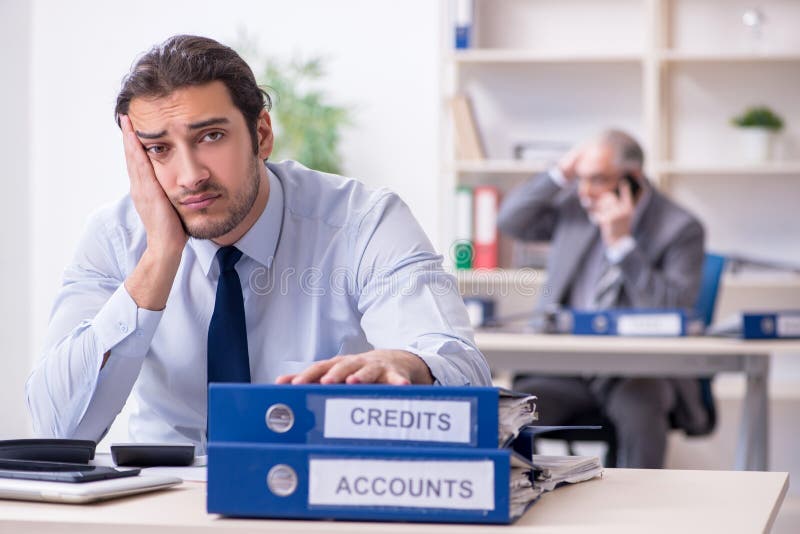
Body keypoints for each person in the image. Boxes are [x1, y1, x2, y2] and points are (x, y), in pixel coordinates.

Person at [26, 35, 491, 452]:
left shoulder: (363, 223)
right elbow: (58, 428)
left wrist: (408, 364)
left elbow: (464, 374)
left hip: (317, 491)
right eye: (158, 149)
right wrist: (159, 258)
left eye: (210, 136)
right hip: (162, 501)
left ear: (261, 134)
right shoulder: (114, 238)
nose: (190, 176)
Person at [497, 129, 709, 468]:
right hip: (565, 367)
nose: (585, 192)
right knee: (507, 415)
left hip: (637, 370)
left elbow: (675, 311)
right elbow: (510, 220)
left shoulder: (680, 227)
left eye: (596, 179)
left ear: (634, 179)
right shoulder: (575, 209)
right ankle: (514, 499)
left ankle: (639, 514)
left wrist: (623, 245)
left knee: (642, 406)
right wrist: (559, 173)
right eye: (579, 179)